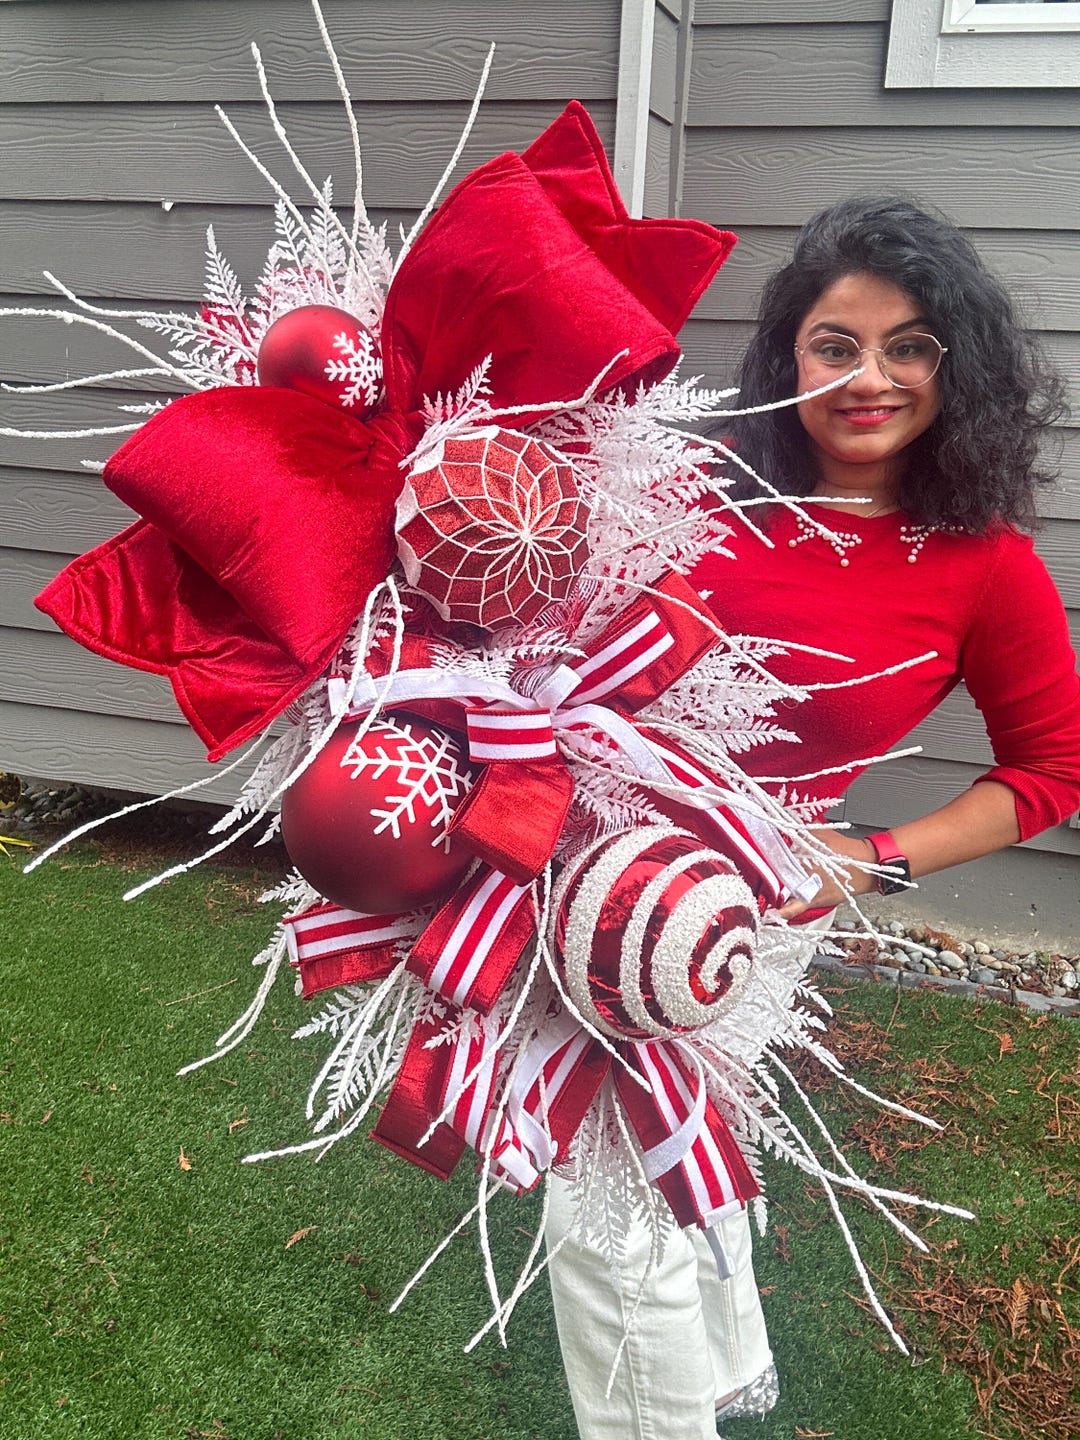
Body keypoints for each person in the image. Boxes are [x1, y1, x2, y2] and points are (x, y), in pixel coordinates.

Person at [544, 194, 1080, 1439]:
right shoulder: (696, 493)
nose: (869, 378)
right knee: (664, 1165)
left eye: (910, 347)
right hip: (573, 859)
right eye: (836, 345)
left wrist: (877, 857)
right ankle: (727, 1372)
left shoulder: (983, 564)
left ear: (960, 370)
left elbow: (1051, 768)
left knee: (609, 1200)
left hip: (749, 902)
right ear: (789, 356)